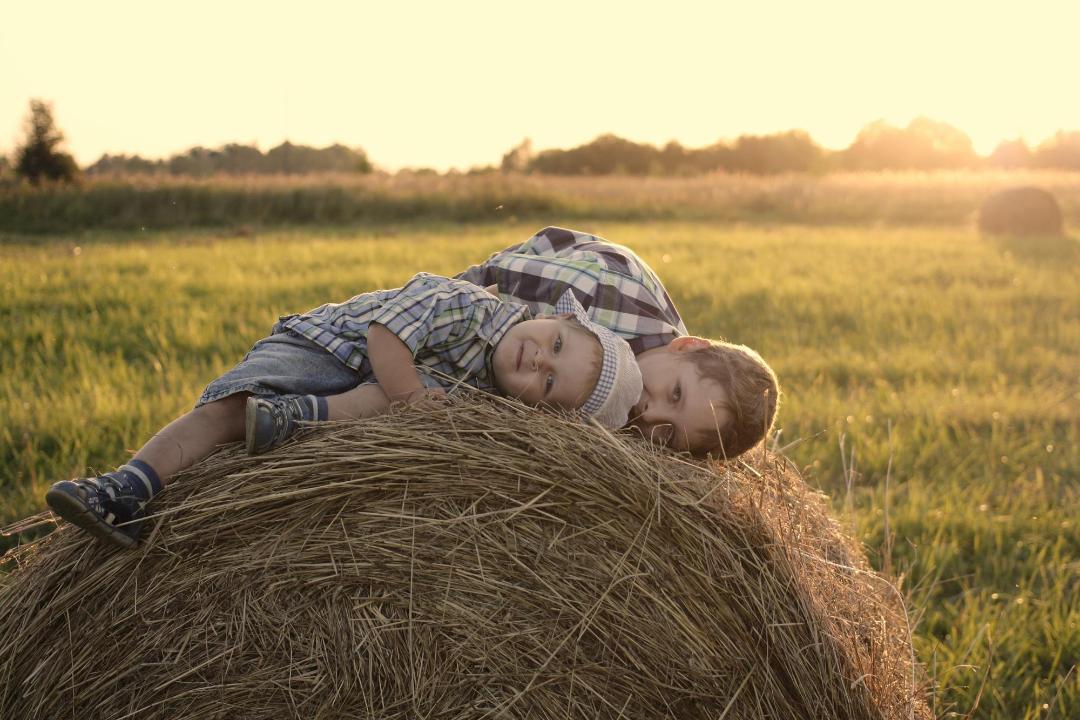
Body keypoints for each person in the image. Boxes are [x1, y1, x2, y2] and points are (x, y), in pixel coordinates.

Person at [45, 272, 641, 549]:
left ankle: (289, 419)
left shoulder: (486, 400)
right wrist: (410, 402)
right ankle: (120, 487)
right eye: (555, 345)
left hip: (357, 388)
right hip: (325, 345)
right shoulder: (467, 305)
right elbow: (385, 340)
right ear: (557, 318)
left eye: (547, 383)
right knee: (227, 413)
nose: (537, 360)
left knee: (405, 404)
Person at [454, 226, 780, 458]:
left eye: (668, 434)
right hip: (466, 308)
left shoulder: (672, 376)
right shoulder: (593, 293)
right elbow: (479, 301)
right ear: (686, 346)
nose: (652, 414)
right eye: (675, 393)